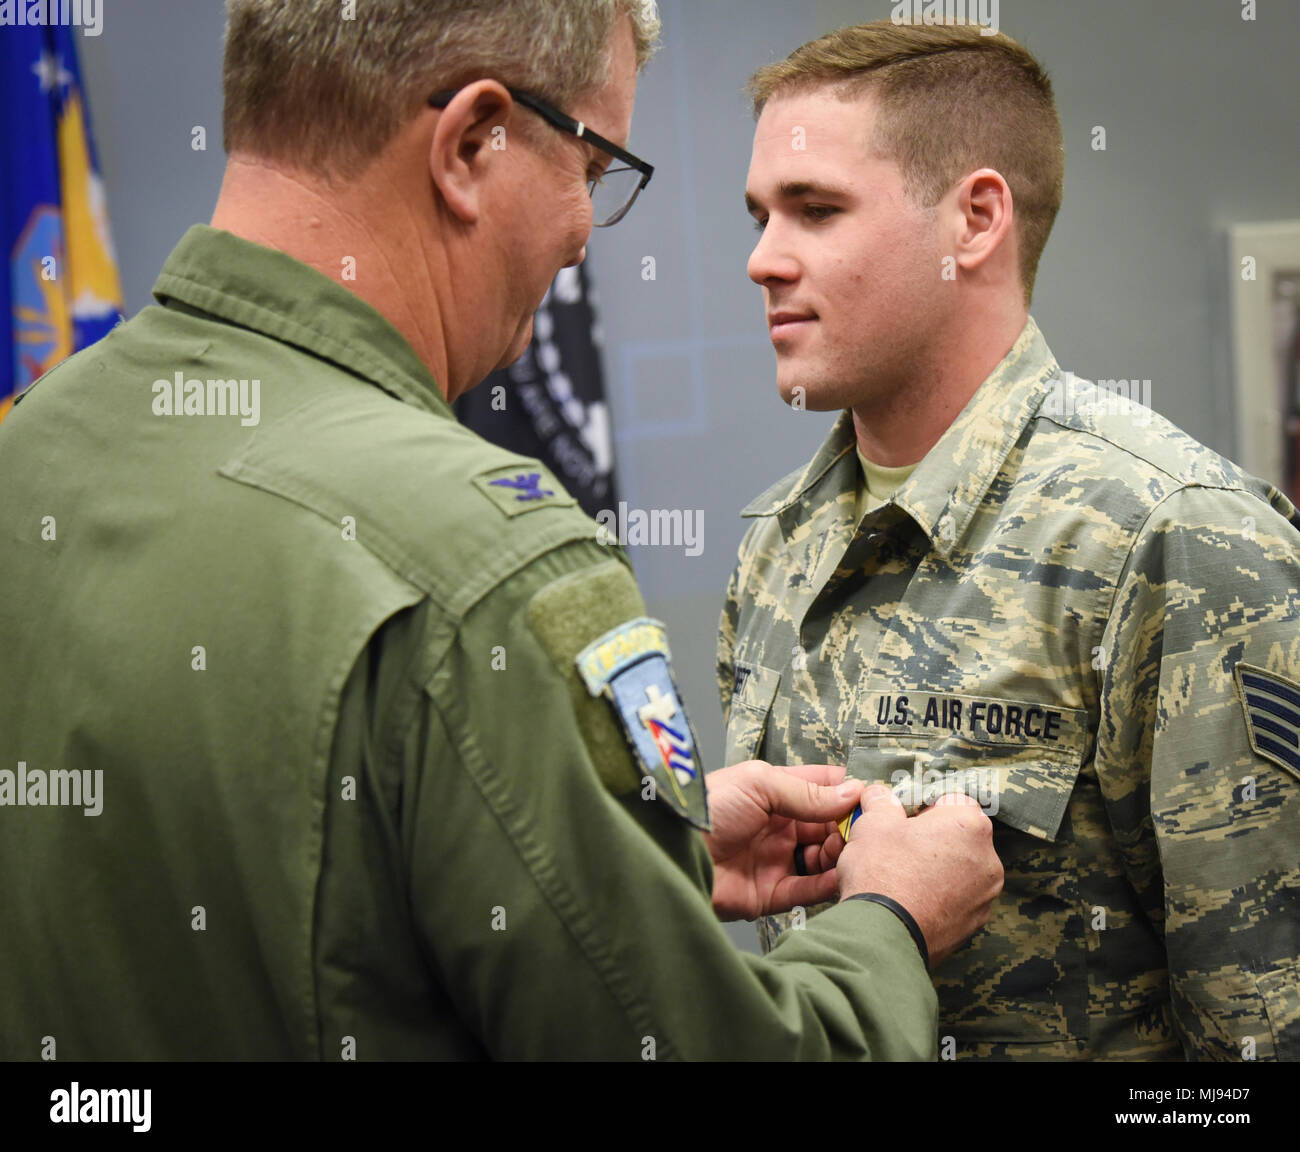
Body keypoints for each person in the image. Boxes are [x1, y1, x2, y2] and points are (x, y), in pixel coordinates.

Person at [0, 0, 1002, 1061]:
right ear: (473, 141)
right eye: (593, 164)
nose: (581, 232)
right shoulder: (487, 567)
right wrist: (887, 924)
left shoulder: (38, 448)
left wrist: (623, 862)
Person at [721, 20, 1300, 1061]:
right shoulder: (779, 541)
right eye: (761, 215)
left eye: (814, 210)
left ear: (975, 220)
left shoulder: (1173, 539)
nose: (761, 260)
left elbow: (1254, 1052)